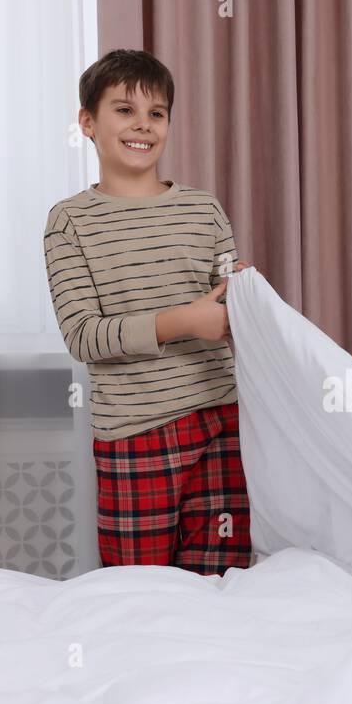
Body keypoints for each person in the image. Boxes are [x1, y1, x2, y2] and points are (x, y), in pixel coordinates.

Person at [44, 49, 252, 575]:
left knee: (221, 578)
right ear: (87, 122)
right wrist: (184, 321)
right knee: (138, 590)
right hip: (134, 433)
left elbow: (230, 301)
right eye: (124, 110)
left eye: (156, 113)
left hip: (219, 422)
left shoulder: (204, 210)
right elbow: (84, 336)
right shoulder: (69, 222)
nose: (142, 125)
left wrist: (244, 299)